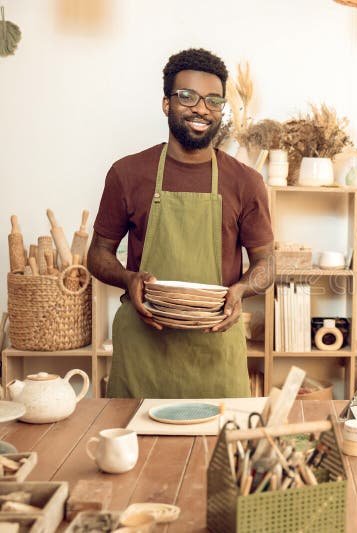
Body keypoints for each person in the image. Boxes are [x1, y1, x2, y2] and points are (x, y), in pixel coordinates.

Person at [87, 48, 274, 398]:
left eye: (213, 100)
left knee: (219, 452)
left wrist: (241, 290)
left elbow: (266, 264)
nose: (201, 108)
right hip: (143, 351)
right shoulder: (127, 174)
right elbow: (97, 255)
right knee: (136, 451)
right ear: (166, 103)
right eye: (187, 96)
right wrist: (128, 279)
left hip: (215, 349)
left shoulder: (246, 182)